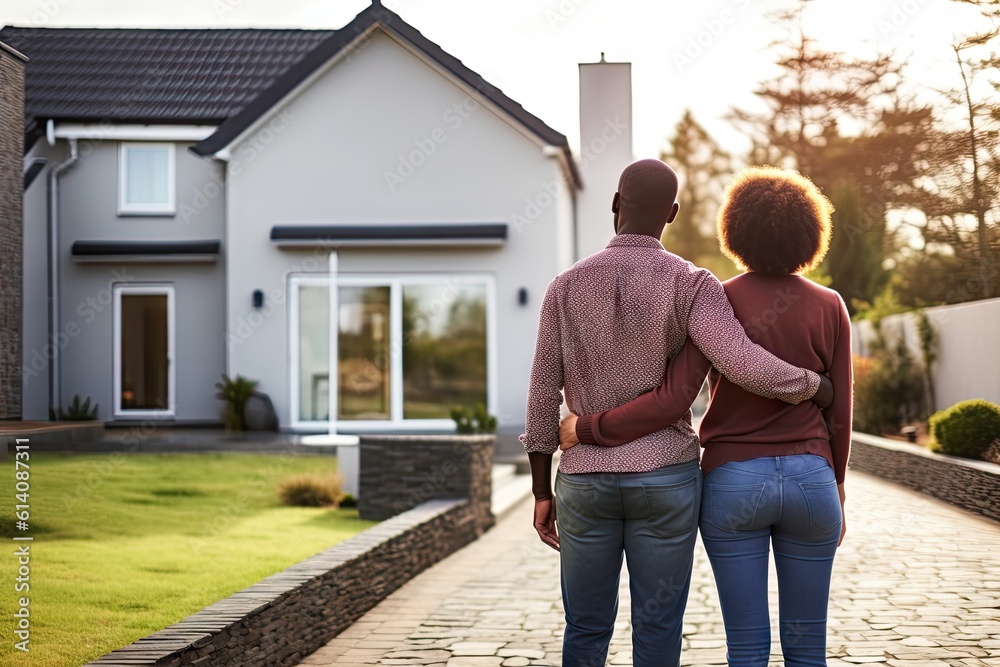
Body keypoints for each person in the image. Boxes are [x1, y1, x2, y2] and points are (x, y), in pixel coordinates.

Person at [520, 159, 833, 667]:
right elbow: (741, 362)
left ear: (616, 205)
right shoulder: (692, 284)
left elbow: (540, 394)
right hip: (665, 481)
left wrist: (540, 488)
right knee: (659, 623)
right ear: (672, 213)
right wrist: (814, 386)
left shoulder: (564, 287)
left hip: (585, 482)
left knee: (585, 625)